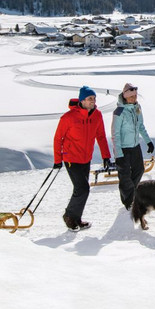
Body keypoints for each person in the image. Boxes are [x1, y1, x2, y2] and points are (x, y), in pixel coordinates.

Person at [53, 86, 111, 231]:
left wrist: (106, 156)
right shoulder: (69, 117)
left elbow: (101, 137)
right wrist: (57, 160)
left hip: (86, 158)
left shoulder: (97, 115)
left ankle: (76, 219)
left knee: (82, 189)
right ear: (82, 100)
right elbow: (57, 139)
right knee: (83, 188)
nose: (93, 101)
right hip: (71, 158)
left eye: (94, 99)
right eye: (90, 99)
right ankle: (69, 216)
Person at [110, 82, 154, 210]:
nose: (133, 99)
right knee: (125, 176)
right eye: (131, 97)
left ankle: (133, 194)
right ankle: (128, 201)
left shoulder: (137, 108)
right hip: (123, 148)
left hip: (135, 146)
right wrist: (119, 154)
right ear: (124, 97)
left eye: (135, 96)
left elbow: (140, 126)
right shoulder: (119, 112)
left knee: (139, 170)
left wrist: (148, 141)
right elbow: (115, 134)